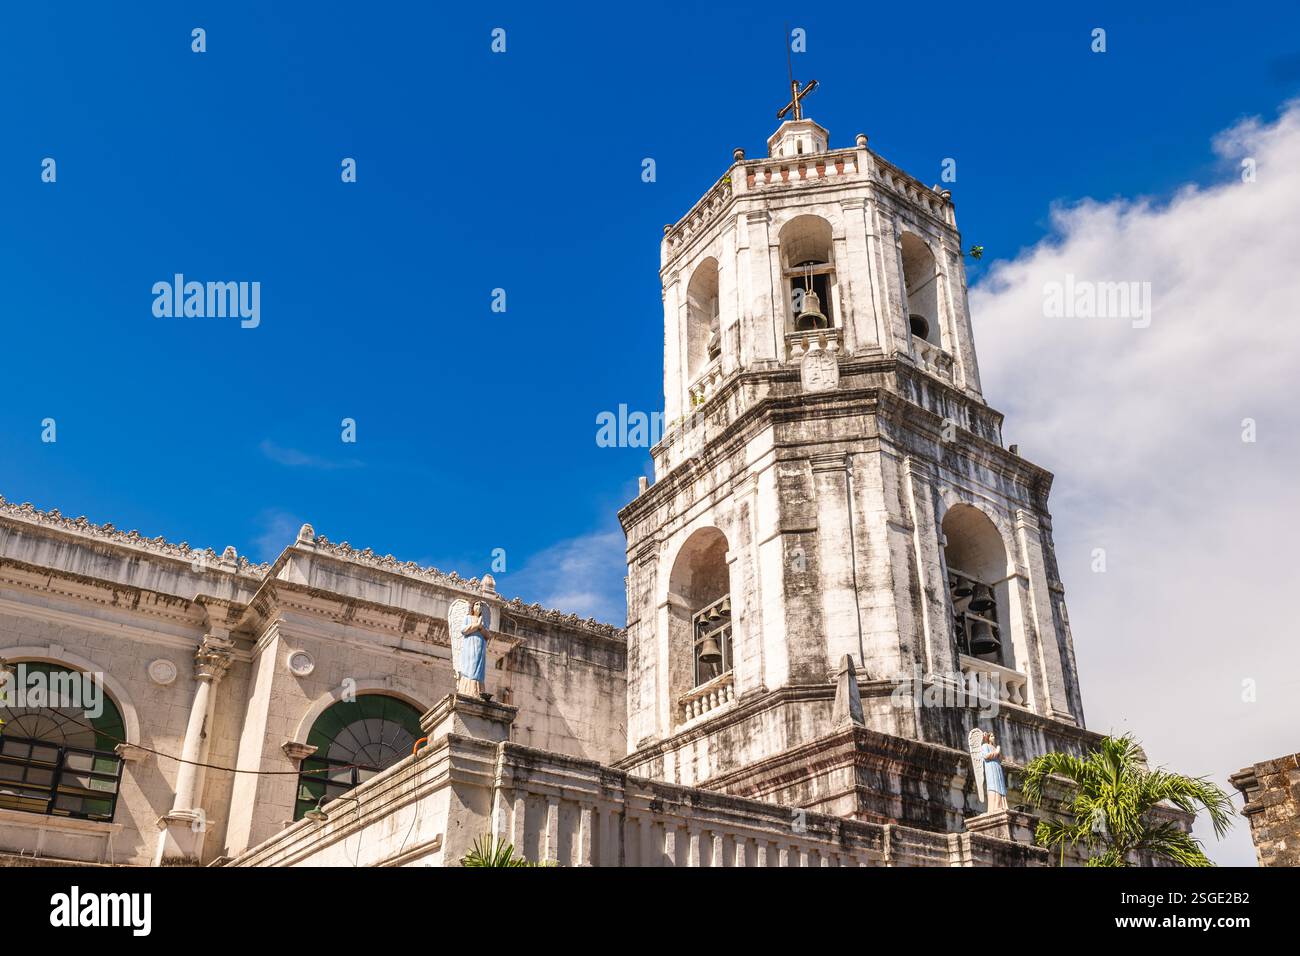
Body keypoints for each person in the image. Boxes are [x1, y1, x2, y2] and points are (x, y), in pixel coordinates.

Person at [456, 601, 490, 699]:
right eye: (476, 604)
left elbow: (488, 635)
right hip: (470, 646)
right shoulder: (468, 618)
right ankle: (468, 689)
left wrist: (481, 627)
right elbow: (463, 630)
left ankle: (478, 690)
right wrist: (476, 626)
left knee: (478, 667)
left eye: (480, 605)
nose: (479, 606)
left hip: (480, 646)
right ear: (472, 607)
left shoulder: (483, 620)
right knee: (470, 665)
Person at [982, 731, 1007, 811]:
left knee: (1000, 786)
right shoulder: (985, 746)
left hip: (997, 768)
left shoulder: (995, 747)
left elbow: (1000, 759)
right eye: (992, 736)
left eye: (994, 736)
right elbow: (986, 756)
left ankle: (1001, 805)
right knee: (994, 785)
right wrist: (996, 752)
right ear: (988, 738)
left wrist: (998, 752)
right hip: (991, 768)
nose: (994, 738)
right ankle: (994, 807)